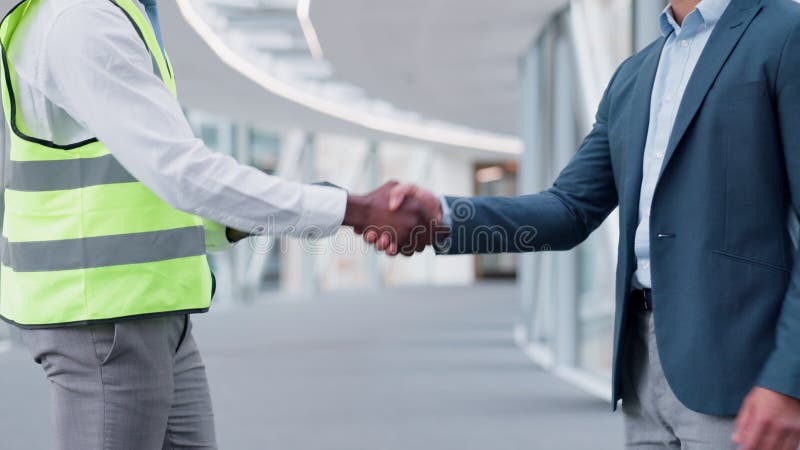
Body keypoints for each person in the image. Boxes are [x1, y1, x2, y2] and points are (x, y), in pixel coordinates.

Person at [0, 0, 436, 448]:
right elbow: (181, 173)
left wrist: (252, 218)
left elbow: (146, 182)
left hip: (150, 310)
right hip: (103, 321)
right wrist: (354, 210)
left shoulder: (118, 14)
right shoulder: (81, 19)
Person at [373, 0, 800, 448]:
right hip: (639, 363)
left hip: (744, 366)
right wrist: (442, 216)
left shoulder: (784, 33)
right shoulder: (634, 76)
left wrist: (788, 378)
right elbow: (567, 210)